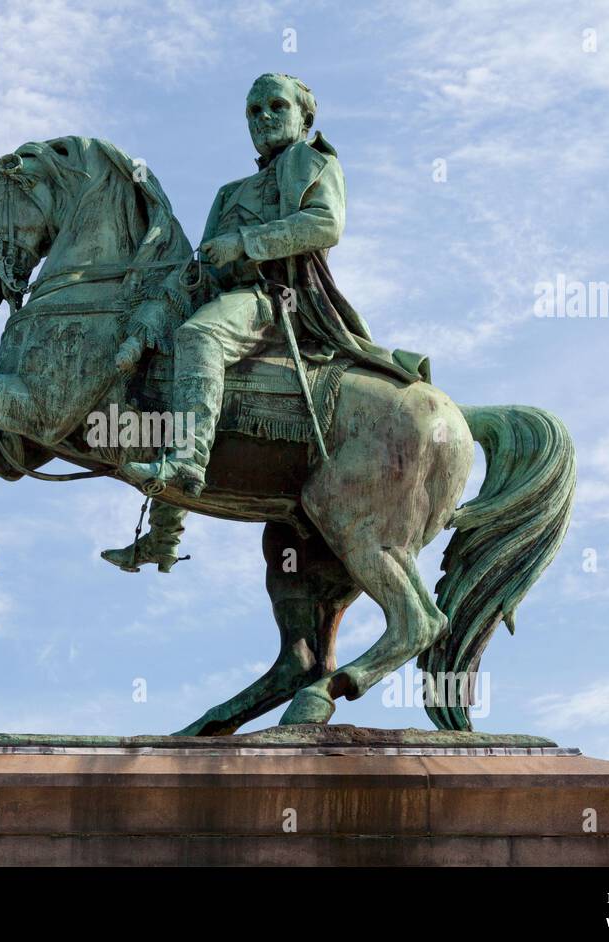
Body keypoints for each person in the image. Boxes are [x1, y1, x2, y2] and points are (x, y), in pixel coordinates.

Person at [104, 73, 428, 573]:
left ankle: (188, 459)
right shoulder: (228, 191)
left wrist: (246, 243)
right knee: (168, 374)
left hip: (275, 302)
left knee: (200, 336)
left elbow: (325, 225)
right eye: (253, 112)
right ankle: (163, 537)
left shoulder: (314, 162)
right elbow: (203, 271)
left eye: (276, 106)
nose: (264, 118)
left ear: (304, 118)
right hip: (228, 297)